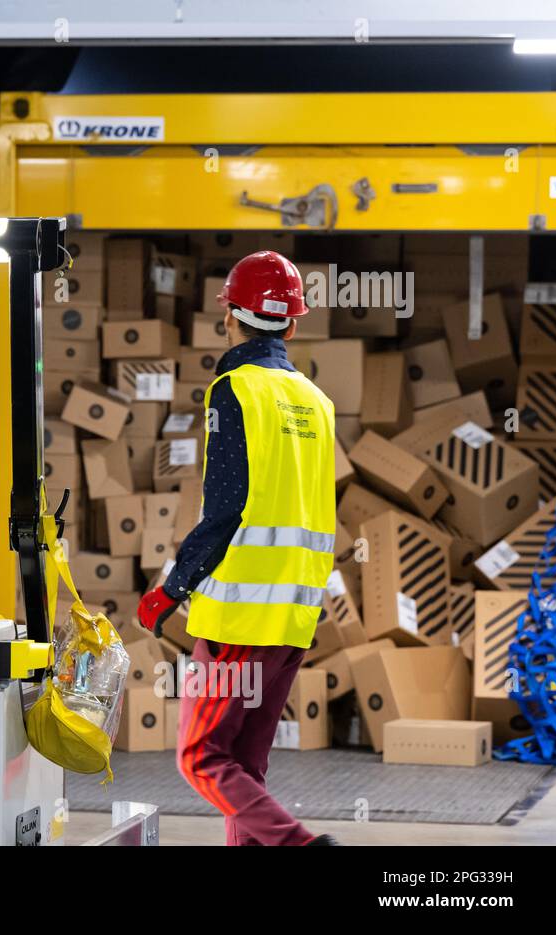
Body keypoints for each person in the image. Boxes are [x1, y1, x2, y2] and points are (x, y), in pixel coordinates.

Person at [136, 251, 339, 846]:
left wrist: (169, 591)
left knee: (200, 757)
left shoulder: (235, 390)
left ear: (230, 315)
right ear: (293, 324)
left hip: (238, 616)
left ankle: (302, 844)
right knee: (244, 769)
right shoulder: (317, 403)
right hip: (294, 620)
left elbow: (226, 508)